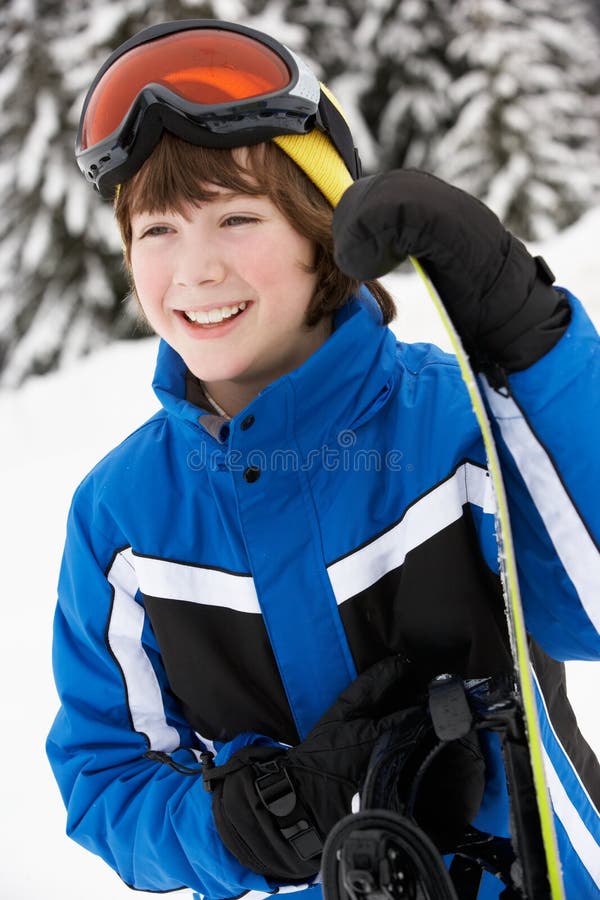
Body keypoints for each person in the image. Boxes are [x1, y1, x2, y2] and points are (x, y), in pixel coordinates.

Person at [46, 18, 600, 900]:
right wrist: (250, 822)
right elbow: (105, 777)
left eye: (236, 216)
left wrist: (531, 344)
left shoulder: (455, 425)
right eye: (157, 230)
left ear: (319, 233)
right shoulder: (123, 517)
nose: (193, 271)